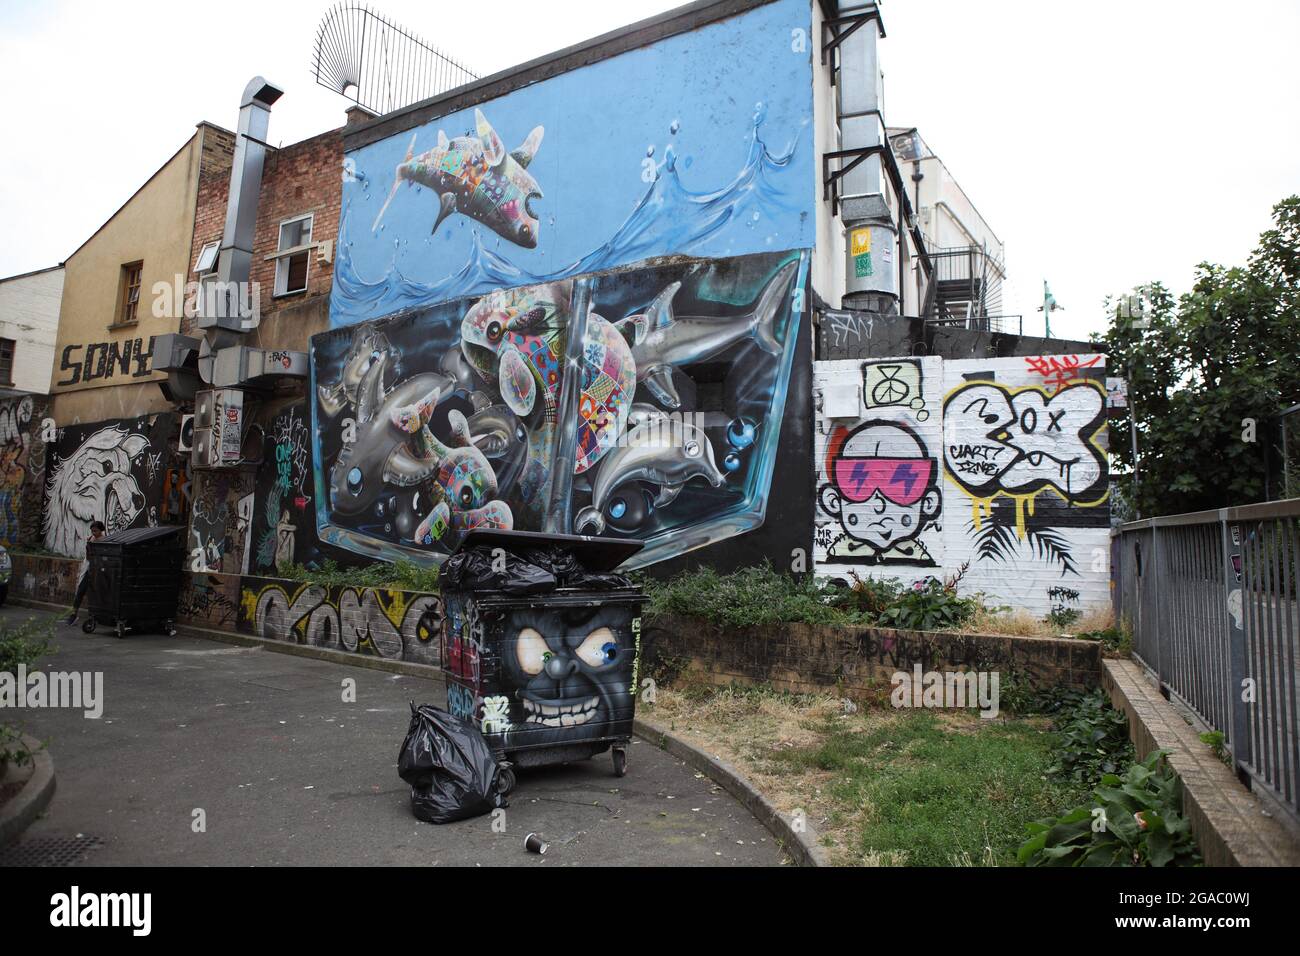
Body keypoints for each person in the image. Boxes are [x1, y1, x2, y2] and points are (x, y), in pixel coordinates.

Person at [66, 520, 106, 625]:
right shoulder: (92, 539)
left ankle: (97, 616)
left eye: (95, 531)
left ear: (101, 530)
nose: (93, 533)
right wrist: (88, 545)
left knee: (97, 594)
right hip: (89, 569)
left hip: (98, 571)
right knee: (80, 591)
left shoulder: (104, 541)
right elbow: (88, 557)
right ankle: (73, 615)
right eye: (92, 531)